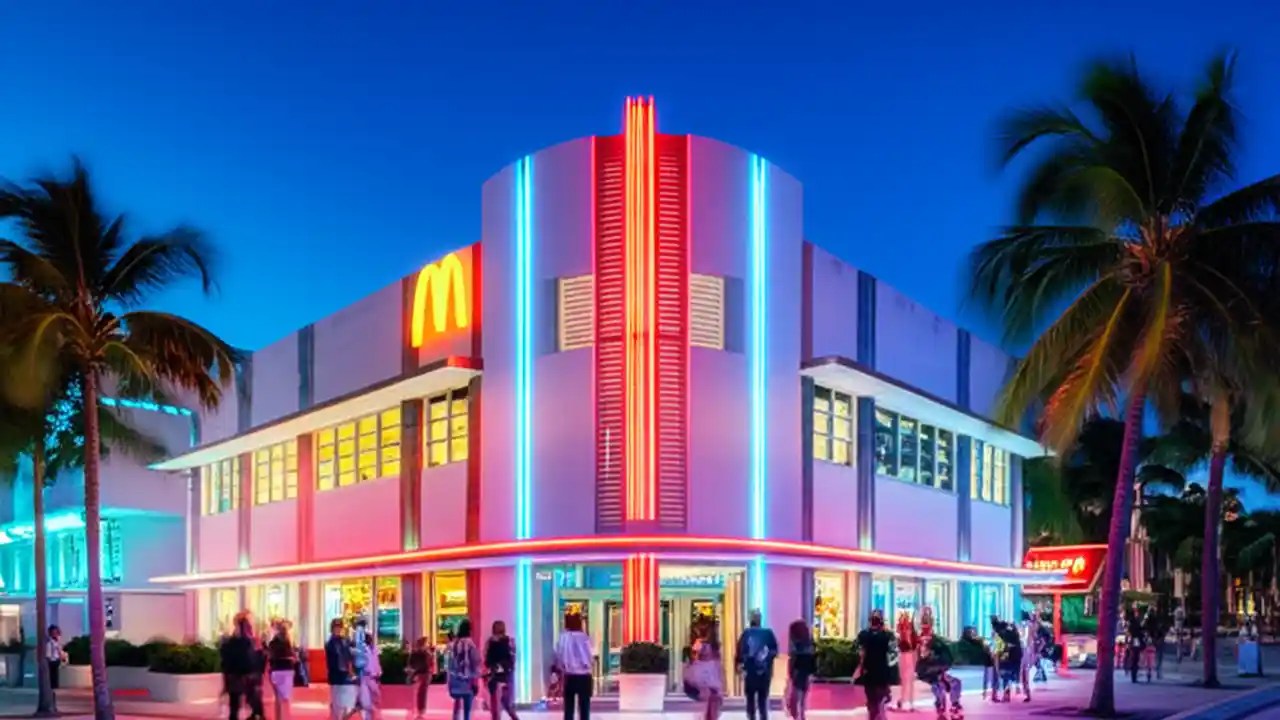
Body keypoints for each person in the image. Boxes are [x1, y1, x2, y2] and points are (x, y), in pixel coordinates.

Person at [916, 609, 962, 720]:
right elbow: (923, 657)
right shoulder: (923, 640)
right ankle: (941, 704)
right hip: (929, 671)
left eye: (928, 622)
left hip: (938, 669)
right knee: (939, 685)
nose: (927, 625)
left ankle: (953, 704)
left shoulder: (934, 639)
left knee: (955, 682)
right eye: (925, 622)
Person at [221, 611, 267, 720]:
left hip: (237, 675)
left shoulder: (231, 642)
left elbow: (226, 661)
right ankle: (257, 715)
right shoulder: (254, 642)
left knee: (235, 705)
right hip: (250, 675)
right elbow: (260, 659)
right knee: (254, 704)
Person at [735, 609, 778, 720]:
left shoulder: (750, 634)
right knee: (757, 698)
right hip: (756, 671)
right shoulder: (754, 633)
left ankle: (757, 717)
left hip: (758, 671)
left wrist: (739, 664)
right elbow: (740, 651)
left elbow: (740, 651)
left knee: (757, 698)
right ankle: (756, 717)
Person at [854, 610, 897, 720]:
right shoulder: (887, 636)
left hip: (869, 671)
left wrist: (860, 666)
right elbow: (893, 653)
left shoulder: (864, 635)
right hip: (882, 671)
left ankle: (873, 715)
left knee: (871, 699)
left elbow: (858, 650)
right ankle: (880, 714)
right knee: (880, 698)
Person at [553, 613, 593, 720]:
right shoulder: (584, 637)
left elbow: (559, 655)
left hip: (569, 675)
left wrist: (559, 670)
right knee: (584, 707)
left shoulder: (563, 637)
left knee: (568, 707)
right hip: (584, 675)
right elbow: (590, 655)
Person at [689, 619, 724, 720]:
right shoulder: (713, 644)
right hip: (711, 672)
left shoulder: (700, 643)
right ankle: (711, 716)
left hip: (704, 672)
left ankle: (708, 716)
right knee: (712, 697)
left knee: (707, 698)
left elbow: (694, 656)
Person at [485, 620, 519, 720]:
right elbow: (513, 658)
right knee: (507, 703)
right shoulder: (510, 641)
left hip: (494, 675)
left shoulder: (490, 642)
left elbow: (486, 658)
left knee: (495, 705)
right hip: (507, 675)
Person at [448, 618, 481, 720]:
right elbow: (475, 662)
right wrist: (475, 679)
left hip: (455, 679)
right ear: (469, 630)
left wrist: (449, 680)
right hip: (468, 680)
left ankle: (455, 718)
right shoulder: (470, 644)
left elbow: (450, 663)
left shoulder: (453, 644)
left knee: (457, 703)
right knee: (467, 707)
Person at [325, 619, 358, 720]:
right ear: (332, 629)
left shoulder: (345, 641)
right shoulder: (329, 643)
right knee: (336, 704)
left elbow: (349, 657)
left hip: (345, 675)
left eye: (339, 627)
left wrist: (351, 671)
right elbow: (331, 661)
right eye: (335, 627)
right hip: (335, 675)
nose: (338, 629)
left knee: (347, 702)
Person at [267, 620, 298, 720]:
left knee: (279, 699)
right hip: (286, 671)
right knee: (285, 699)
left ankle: (279, 717)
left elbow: (270, 656)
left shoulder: (273, 643)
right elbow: (293, 657)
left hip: (277, 670)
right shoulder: (288, 642)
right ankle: (284, 717)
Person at [785, 620, 816, 720]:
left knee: (795, 700)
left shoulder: (796, 644)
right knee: (802, 701)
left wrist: (790, 673)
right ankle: (801, 716)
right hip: (806, 671)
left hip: (797, 672)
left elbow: (793, 658)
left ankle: (797, 717)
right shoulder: (810, 642)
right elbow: (813, 658)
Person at [958, 627, 996, 700]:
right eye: (971, 633)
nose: (973, 634)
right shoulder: (978, 641)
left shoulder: (980, 641)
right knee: (989, 678)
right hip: (987, 662)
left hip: (987, 662)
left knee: (990, 678)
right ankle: (988, 693)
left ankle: (989, 693)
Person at [991, 618, 1023, 703]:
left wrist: (996, 656)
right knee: (1008, 675)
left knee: (1001, 675)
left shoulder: (1000, 635)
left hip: (1006, 657)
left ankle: (1001, 694)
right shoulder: (1012, 633)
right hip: (1014, 656)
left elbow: (997, 650)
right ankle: (1005, 693)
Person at [895, 611, 920, 711]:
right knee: (905, 679)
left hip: (909, 655)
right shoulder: (902, 634)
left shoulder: (912, 635)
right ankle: (904, 700)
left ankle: (908, 701)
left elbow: (915, 648)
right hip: (904, 655)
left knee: (908, 680)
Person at [407, 637, 435, 720]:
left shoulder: (424, 653)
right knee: (421, 692)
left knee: (421, 692)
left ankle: (420, 710)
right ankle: (419, 710)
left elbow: (430, 664)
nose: (427, 645)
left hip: (422, 674)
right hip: (421, 674)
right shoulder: (422, 653)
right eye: (426, 643)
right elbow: (429, 664)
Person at [1125, 609, 1147, 684]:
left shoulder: (1130, 622)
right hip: (1136, 640)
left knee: (1133, 657)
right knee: (1135, 658)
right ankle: (1134, 674)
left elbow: (1129, 633)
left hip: (1132, 641)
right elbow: (1138, 631)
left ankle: (1132, 673)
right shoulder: (1134, 622)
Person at [45, 625, 67, 691]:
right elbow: (49, 651)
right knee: (52, 673)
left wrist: (62, 657)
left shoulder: (57, 641)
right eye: (53, 632)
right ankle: (53, 687)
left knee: (55, 673)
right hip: (51, 659)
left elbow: (59, 650)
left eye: (56, 632)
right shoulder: (49, 642)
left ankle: (54, 686)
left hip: (56, 659)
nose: (55, 634)